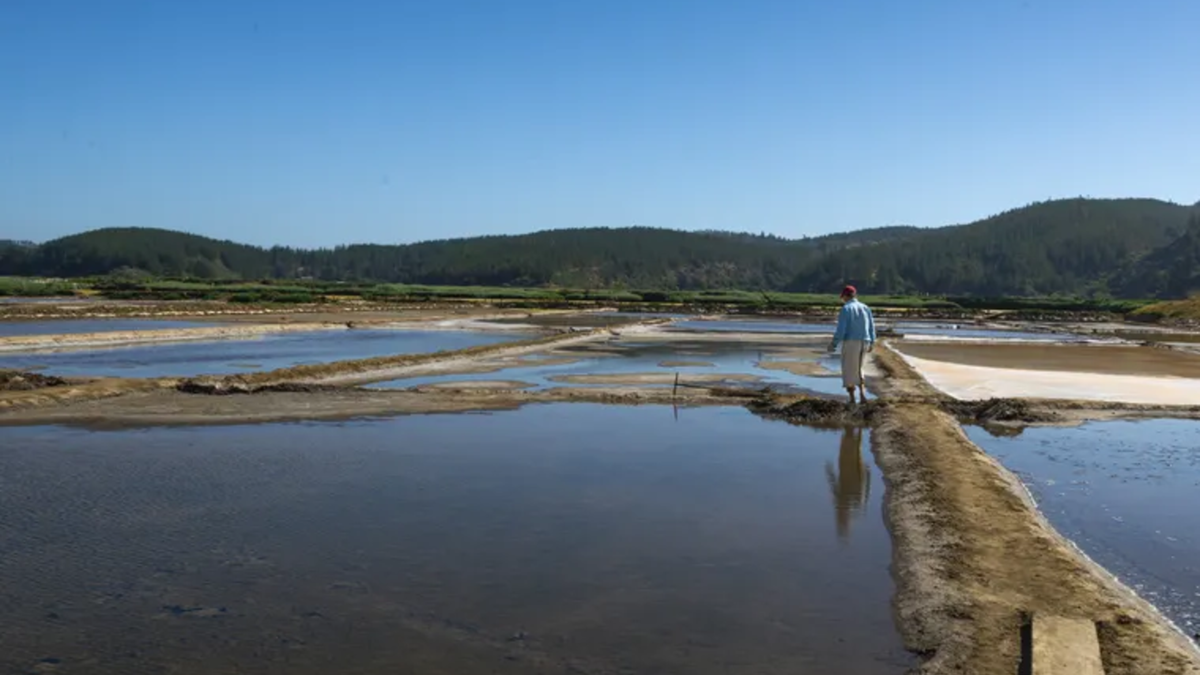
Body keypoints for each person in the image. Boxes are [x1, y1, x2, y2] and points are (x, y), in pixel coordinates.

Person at [828, 285, 876, 404]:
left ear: (845, 296)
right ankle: (863, 396)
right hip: (865, 340)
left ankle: (853, 398)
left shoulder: (846, 308)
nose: (842, 299)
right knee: (859, 368)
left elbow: (841, 330)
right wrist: (872, 342)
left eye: (843, 297)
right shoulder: (865, 307)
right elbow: (871, 327)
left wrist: (833, 343)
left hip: (851, 341)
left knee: (848, 370)